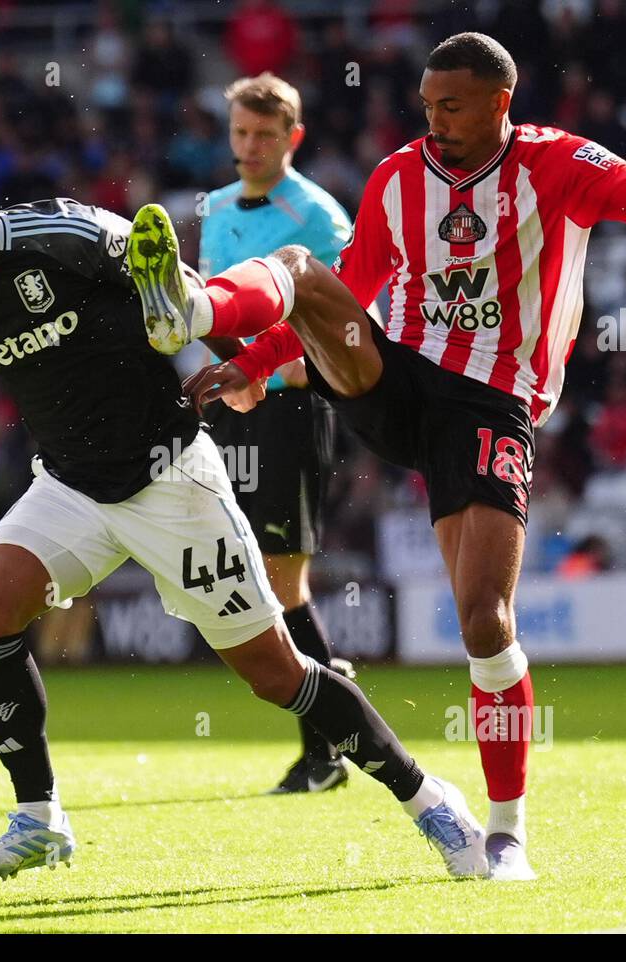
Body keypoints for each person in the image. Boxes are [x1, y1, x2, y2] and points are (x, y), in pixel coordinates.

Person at [128, 32, 626, 881]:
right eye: (427, 106)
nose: (435, 121)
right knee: (307, 268)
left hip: (492, 402)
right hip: (399, 377)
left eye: (451, 106)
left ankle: (503, 832)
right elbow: (353, 280)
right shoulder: (397, 176)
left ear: (501, 101)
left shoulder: (556, 163)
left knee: (485, 626)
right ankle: (194, 309)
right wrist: (251, 361)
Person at [0, 129, 491, 883]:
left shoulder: (62, 234)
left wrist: (236, 352)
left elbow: (175, 285)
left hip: (170, 480)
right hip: (69, 485)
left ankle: (430, 799)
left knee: (276, 673)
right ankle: (39, 817)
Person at [200, 72, 356, 795]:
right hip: (234, 406)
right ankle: (336, 704)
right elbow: (209, 309)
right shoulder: (218, 208)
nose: (250, 146)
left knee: (282, 581)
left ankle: (327, 744)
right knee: (262, 579)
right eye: (240, 133)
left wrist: (279, 371)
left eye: (265, 134)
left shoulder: (319, 215)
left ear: (293, 137)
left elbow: (349, 315)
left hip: (294, 405)